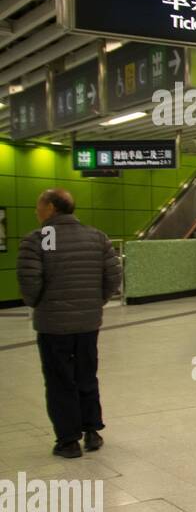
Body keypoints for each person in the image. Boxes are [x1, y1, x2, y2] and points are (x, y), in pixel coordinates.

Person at [17, 189, 122, 459]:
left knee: (59, 380)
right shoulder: (96, 236)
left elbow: (30, 283)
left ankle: (68, 441)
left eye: (38, 205)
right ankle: (92, 432)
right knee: (87, 374)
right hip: (88, 323)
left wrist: (41, 303)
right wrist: (95, 301)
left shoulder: (38, 239)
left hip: (53, 325)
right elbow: (113, 276)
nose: (36, 211)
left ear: (50, 207)